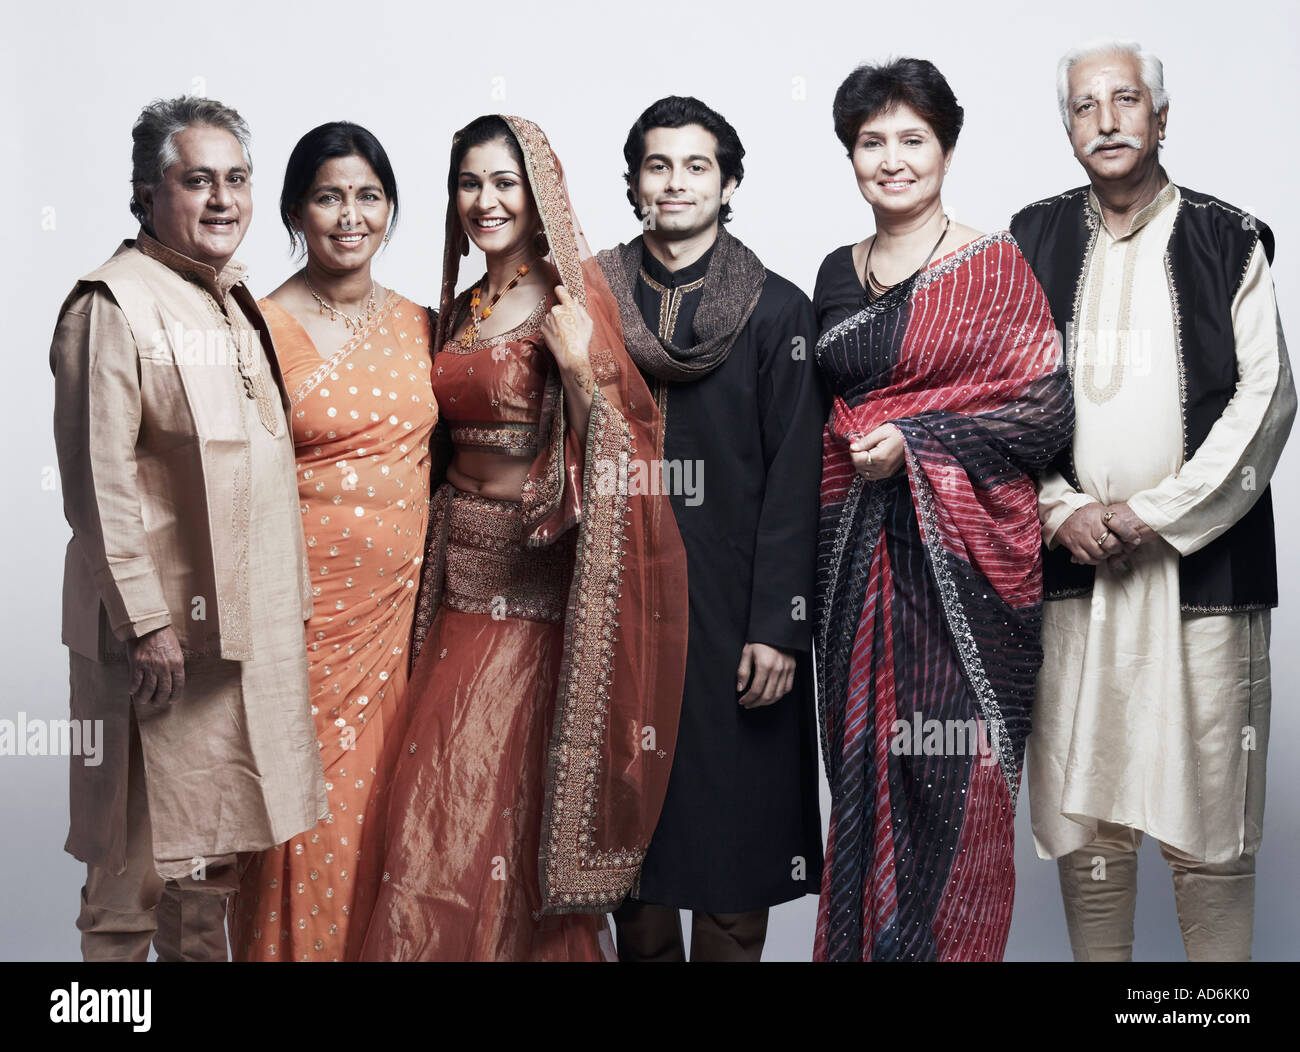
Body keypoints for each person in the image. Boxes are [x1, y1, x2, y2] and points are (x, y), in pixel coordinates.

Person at [346, 115, 689, 961]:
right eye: (470, 183)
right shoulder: (462, 309)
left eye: (505, 183)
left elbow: (625, 449)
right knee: (428, 804)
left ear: (540, 198)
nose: (485, 201)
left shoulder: (575, 303)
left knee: (490, 810)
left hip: (529, 587)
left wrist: (577, 370)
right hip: (449, 581)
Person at [1011, 38, 1295, 962]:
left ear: (1161, 118)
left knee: (1210, 808)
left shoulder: (1228, 237)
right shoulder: (1030, 239)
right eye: (1085, 107)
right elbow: (1000, 397)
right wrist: (1060, 508)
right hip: (1075, 570)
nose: (1106, 121)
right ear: (1067, 131)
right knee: (1087, 809)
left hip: (1198, 575)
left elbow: (1269, 398)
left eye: (1125, 101)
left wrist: (1154, 514)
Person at [49, 96, 327, 962]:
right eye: (195, 179)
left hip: (229, 645)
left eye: (237, 179)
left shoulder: (226, 294)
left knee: (207, 882)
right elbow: (98, 486)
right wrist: (147, 624)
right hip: (155, 651)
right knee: (128, 882)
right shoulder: (113, 304)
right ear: (146, 193)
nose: (222, 200)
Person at [813, 59, 1074, 961]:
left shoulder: (995, 266)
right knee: (866, 779)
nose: (892, 159)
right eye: (871, 142)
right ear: (850, 155)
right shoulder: (833, 276)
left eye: (912, 140)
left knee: (951, 780)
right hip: (855, 572)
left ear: (947, 150)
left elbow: (1043, 411)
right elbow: (820, 421)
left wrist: (916, 444)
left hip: (962, 566)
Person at [596, 96, 824, 962]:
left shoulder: (776, 311)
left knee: (735, 864)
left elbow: (797, 476)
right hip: (619, 624)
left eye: (697, 166)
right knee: (635, 871)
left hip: (736, 620)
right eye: (659, 166)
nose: (677, 182)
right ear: (633, 184)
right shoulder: (594, 299)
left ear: (729, 183)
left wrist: (778, 629)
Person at [230, 122, 437, 961]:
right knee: (306, 824)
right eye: (328, 196)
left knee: (394, 822)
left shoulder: (428, 324)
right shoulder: (256, 327)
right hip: (305, 626)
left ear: (390, 210)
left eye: (368, 196)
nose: (350, 216)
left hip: (405, 626)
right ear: (293, 210)